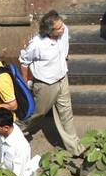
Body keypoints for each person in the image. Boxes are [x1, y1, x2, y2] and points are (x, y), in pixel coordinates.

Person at [19, 11, 80, 154]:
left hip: (62, 79)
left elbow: (64, 46)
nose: (63, 29)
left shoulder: (64, 31)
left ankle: (76, 148)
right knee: (38, 113)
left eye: (61, 25)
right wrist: (26, 82)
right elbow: (24, 61)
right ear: (49, 31)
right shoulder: (37, 45)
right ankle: (16, 128)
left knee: (66, 113)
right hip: (46, 84)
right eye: (58, 28)